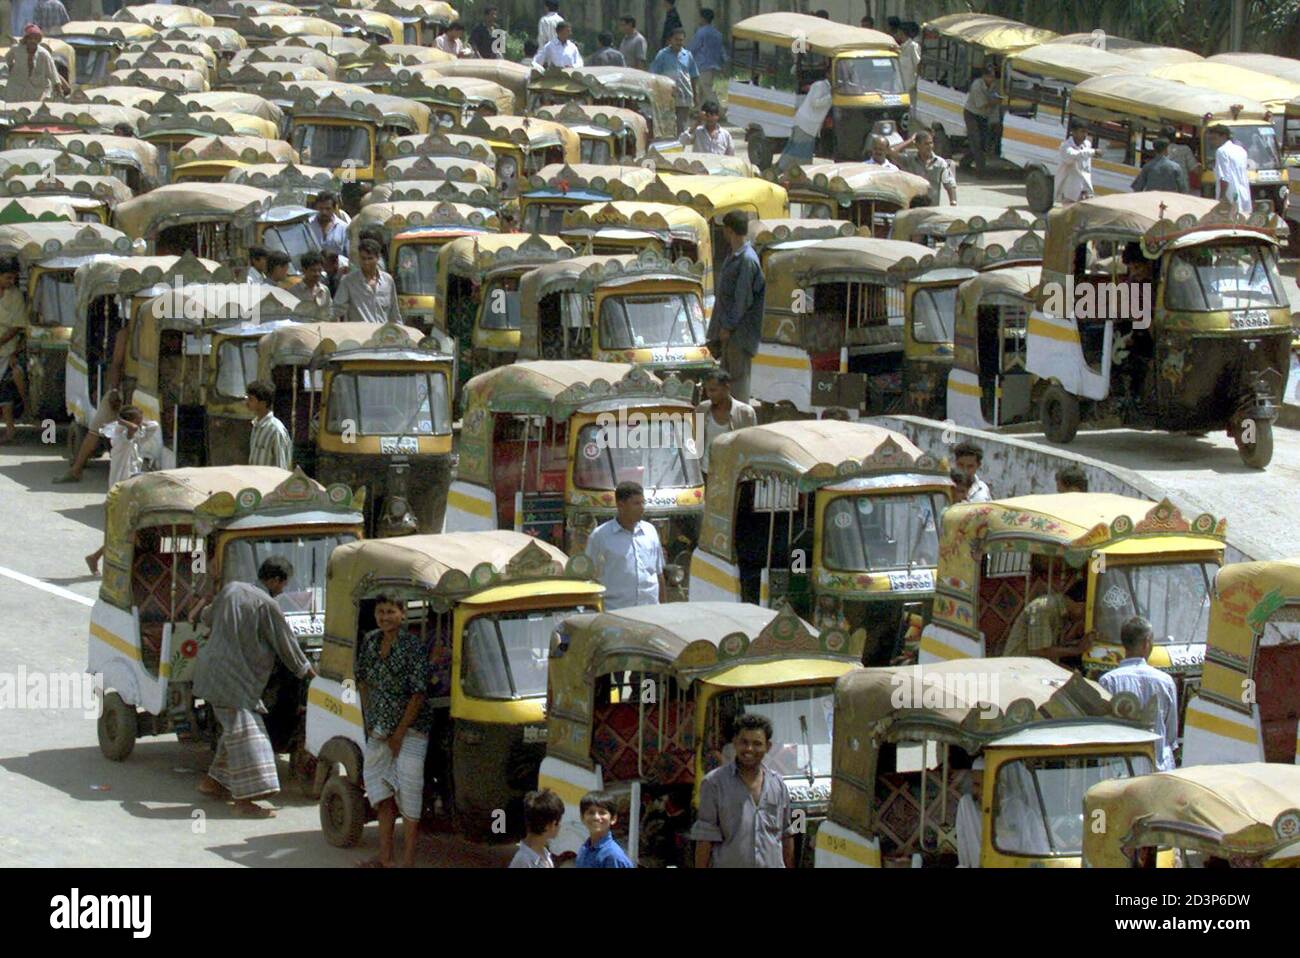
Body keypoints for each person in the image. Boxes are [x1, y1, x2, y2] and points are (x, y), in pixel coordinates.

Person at [193, 557, 315, 818]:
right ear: (275, 581)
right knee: (252, 740)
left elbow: (207, 617)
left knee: (235, 734)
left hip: (211, 672)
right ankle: (245, 802)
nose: (283, 590)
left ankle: (212, 782)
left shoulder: (231, 589)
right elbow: (286, 645)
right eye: (283, 584)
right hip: (234, 682)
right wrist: (307, 672)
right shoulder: (267, 605)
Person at [355, 594, 431, 867]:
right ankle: (386, 858)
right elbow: (361, 679)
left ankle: (407, 862)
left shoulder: (412, 646)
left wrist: (399, 733)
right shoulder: (371, 641)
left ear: (402, 614)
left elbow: (419, 693)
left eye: (390, 611)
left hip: (411, 732)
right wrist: (372, 716)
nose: (384, 617)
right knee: (381, 793)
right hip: (379, 731)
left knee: (410, 796)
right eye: (380, 612)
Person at [692, 713, 795, 868]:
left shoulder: (778, 785)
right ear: (734, 743)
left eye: (757, 743)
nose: (749, 749)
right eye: (744, 742)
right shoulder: (714, 783)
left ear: (768, 747)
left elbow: (786, 835)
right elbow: (705, 837)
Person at [83, 405, 160, 574]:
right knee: (124, 531)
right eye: (137, 421)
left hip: (132, 489)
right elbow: (131, 429)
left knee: (129, 530)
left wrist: (139, 422)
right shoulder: (120, 439)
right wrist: (121, 420)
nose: (139, 425)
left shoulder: (133, 437)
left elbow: (154, 426)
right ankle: (97, 557)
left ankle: (98, 557)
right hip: (121, 490)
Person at [1099, 616, 1179, 771]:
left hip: (1120, 772)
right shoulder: (1165, 681)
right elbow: (1170, 736)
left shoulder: (1108, 681)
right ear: (1146, 642)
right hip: (1157, 770)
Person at [707, 210, 764, 402]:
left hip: (739, 334)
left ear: (729, 231)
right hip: (730, 333)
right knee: (726, 381)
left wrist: (728, 327)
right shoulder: (734, 256)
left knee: (737, 384)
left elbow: (742, 299)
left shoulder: (747, 260)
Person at [584, 481, 665, 610]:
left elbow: (658, 573)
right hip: (617, 612)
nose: (642, 508)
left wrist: (663, 609)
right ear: (621, 505)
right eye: (636, 503)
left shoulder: (650, 531)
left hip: (650, 611)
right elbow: (588, 577)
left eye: (643, 502)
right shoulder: (600, 536)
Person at [1002, 574, 1090, 662]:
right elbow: (1039, 651)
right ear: (1081, 605)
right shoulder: (1044, 608)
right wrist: (1078, 650)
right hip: (1018, 669)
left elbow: (1054, 648)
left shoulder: (1062, 615)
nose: (1084, 617)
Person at [695, 368, 755, 474]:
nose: (709, 394)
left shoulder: (745, 413)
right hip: (706, 472)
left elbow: (752, 447)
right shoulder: (701, 409)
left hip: (734, 475)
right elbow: (694, 442)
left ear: (727, 388)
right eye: (707, 390)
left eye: (713, 390)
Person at [334, 237, 402, 324]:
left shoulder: (388, 281)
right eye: (363, 258)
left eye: (370, 258)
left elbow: (394, 313)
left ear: (378, 258)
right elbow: (337, 309)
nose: (366, 262)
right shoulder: (348, 281)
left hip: (382, 334)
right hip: (359, 334)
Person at [650, 27, 699, 135]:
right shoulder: (662, 55)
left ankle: (681, 147)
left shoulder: (688, 55)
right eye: (676, 40)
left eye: (681, 40)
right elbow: (654, 75)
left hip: (684, 95)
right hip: (667, 95)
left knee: (682, 124)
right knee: (667, 123)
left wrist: (695, 95)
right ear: (670, 40)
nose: (679, 43)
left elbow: (694, 76)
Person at [775, 78, 830, 171]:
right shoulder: (820, 86)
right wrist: (831, 97)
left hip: (808, 124)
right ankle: (780, 171)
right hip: (806, 123)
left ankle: (781, 170)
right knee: (798, 152)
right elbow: (815, 103)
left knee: (798, 150)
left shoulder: (824, 87)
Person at [0, 257, 27, 445]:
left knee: (5, 390)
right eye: (8, 278)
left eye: (13, 278)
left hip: (8, 350)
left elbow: (17, 326)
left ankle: (10, 430)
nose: (11, 282)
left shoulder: (15, 295)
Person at [891, 130, 958, 206]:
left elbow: (950, 184)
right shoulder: (909, 160)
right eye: (926, 144)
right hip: (912, 207)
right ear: (917, 145)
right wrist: (910, 141)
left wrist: (953, 202)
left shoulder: (940, 163)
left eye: (931, 143)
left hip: (932, 208)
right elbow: (891, 152)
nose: (930, 146)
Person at [4, 24, 67, 102]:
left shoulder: (44, 54)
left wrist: (59, 90)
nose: (33, 41)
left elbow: (53, 73)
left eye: (35, 39)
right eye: (30, 38)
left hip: (36, 91)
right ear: (26, 39)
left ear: (38, 40)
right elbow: (7, 58)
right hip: (17, 88)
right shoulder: (17, 50)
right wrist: (11, 67)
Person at [575, 792, 634, 868]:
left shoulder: (612, 855)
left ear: (613, 819)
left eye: (602, 813)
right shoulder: (584, 850)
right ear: (582, 818)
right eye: (591, 812)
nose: (596, 817)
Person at [962, 63, 1001, 176]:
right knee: (976, 141)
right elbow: (982, 105)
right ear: (984, 76)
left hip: (984, 115)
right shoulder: (977, 86)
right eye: (989, 77)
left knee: (982, 142)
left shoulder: (993, 84)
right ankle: (981, 171)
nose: (991, 79)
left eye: (993, 77)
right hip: (972, 114)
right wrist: (996, 102)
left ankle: (965, 162)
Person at [510, 788, 564, 868]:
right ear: (549, 825)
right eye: (557, 823)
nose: (560, 826)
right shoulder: (523, 860)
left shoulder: (545, 854)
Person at [246, 380, 292, 470]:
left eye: (251, 399)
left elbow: (281, 468)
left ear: (263, 403)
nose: (247, 402)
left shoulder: (275, 430)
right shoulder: (256, 426)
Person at [1208, 124, 1251, 215]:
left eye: (1214, 138)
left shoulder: (1221, 151)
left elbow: (1224, 177)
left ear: (1223, 136)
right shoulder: (1241, 150)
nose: (1211, 142)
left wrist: (1221, 198)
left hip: (1229, 198)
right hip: (1244, 196)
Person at [1054, 120, 1096, 206]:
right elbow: (1074, 155)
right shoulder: (1065, 147)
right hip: (1069, 191)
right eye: (1082, 132)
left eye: (1086, 132)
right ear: (1073, 132)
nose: (1085, 135)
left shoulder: (1087, 145)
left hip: (1083, 191)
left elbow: (1086, 169)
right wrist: (1093, 152)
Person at [688, 8, 726, 101]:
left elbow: (693, 48)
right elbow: (722, 50)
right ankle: (701, 111)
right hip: (714, 65)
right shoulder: (717, 33)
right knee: (703, 91)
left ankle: (719, 111)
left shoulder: (701, 32)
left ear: (703, 18)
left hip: (703, 65)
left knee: (706, 89)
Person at [954, 758, 983, 867]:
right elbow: (963, 845)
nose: (974, 790)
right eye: (974, 784)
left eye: (978, 784)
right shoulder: (967, 804)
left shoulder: (1018, 810)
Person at [1162, 126, 1201, 191]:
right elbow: (1195, 169)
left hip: (1164, 188)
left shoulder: (1160, 151)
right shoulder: (1185, 149)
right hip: (1182, 187)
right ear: (1174, 137)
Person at [898, 22, 921, 108]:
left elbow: (918, 63)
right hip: (901, 83)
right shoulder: (901, 47)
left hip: (910, 83)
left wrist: (915, 82)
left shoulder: (913, 46)